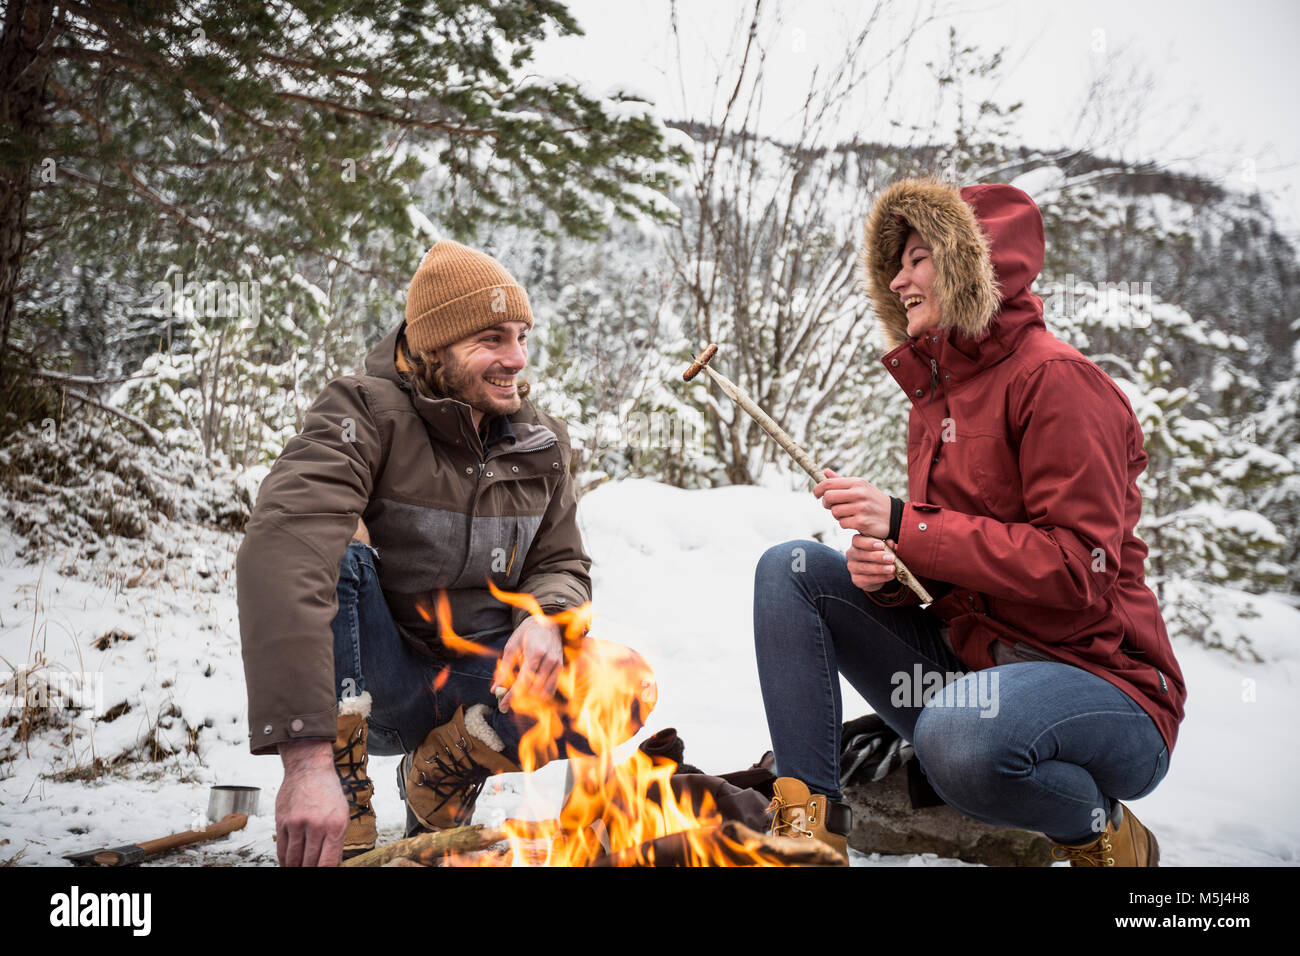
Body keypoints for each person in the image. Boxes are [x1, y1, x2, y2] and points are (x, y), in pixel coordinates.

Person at [753, 178, 1186, 867]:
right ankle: (807, 828)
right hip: (976, 666)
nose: (898, 281)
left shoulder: (1059, 383)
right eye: (895, 264)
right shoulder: (936, 398)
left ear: (968, 264)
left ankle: (1105, 833)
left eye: (917, 260)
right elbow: (956, 565)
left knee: (960, 736)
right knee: (792, 569)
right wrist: (891, 579)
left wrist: (905, 523)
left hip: (1105, 688)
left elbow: (1080, 569)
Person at [236, 239, 654, 867]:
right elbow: (283, 548)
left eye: (521, 335)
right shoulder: (361, 413)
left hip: (486, 683)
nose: (516, 358)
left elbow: (561, 562)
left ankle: (445, 768)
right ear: (435, 347)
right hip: (379, 680)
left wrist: (545, 618)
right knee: (337, 542)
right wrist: (305, 762)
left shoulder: (541, 440)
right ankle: (344, 787)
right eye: (491, 338)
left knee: (623, 680)